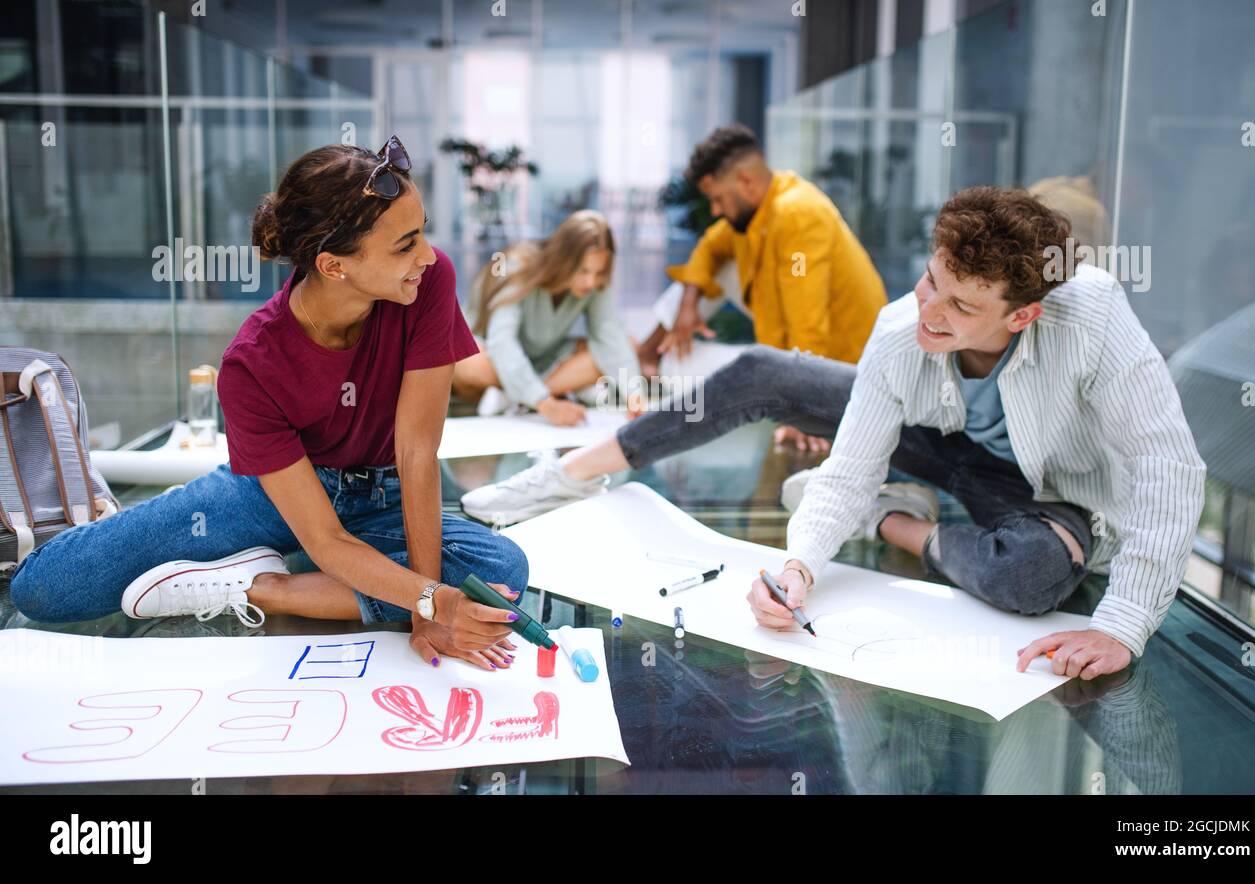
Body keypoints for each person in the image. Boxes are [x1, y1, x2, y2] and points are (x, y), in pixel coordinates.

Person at [464, 187, 1206, 680]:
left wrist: (1125, 624)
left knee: (1032, 578)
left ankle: (897, 519)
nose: (930, 313)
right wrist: (800, 572)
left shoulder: (1094, 316)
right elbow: (848, 467)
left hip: (1045, 500)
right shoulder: (905, 328)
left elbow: (1169, 465)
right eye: (930, 281)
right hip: (937, 445)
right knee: (761, 372)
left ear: (1022, 316)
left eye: (960, 306)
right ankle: (575, 469)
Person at [8, 137, 527, 670]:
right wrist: (428, 597)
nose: (426, 256)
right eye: (405, 245)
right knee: (47, 590)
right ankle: (329, 577)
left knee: (499, 571)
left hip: (384, 492)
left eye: (422, 233)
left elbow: (417, 451)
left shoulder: (427, 281)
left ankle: (256, 587)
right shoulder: (251, 364)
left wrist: (426, 608)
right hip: (275, 494)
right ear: (332, 265)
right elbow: (324, 538)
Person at [643, 123, 889, 452]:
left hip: (840, 375)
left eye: (718, 199)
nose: (714, 210)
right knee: (716, 269)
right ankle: (649, 350)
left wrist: (803, 412)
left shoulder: (797, 214)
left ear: (745, 181)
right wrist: (689, 305)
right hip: (786, 360)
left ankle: (650, 362)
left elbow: (808, 324)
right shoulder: (758, 211)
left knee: (680, 375)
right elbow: (709, 248)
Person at [452, 209, 644, 426]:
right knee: (465, 360)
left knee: (628, 344)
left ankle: (514, 398)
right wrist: (545, 403)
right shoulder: (516, 264)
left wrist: (634, 396)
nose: (591, 281)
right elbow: (502, 343)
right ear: (564, 260)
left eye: (599, 272)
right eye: (582, 271)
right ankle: (529, 395)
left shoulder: (595, 282)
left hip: (544, 363)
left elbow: (611, 336)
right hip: (492, 360)